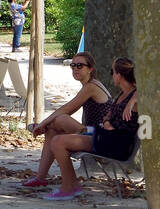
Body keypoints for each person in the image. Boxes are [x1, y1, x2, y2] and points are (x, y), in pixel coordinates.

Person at [39, 57, 138, 201]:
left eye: (113, 72)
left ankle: (69, 187)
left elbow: (150, 91)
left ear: (119, 75)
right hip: (105, 136)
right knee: (57, 135)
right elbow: (108, 117)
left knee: (58, 140)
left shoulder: (133, 96)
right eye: (73, 66)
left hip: (117, 144)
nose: (112, 76)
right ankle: (67, 184)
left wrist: (134, 99)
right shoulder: (122, 95)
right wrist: (107, 122)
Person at [21, 52, 112, 189]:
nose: (75, 69)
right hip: (91, 132)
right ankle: (40, 178)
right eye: (73, 65)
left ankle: (42, 126)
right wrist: (46, 124)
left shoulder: (91, 87)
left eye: (80, 66)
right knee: (51, 131)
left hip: (100, 135)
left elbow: (67, 109)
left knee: (61, 119)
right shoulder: (88, 86)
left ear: (90, 69)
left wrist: (44, 122)